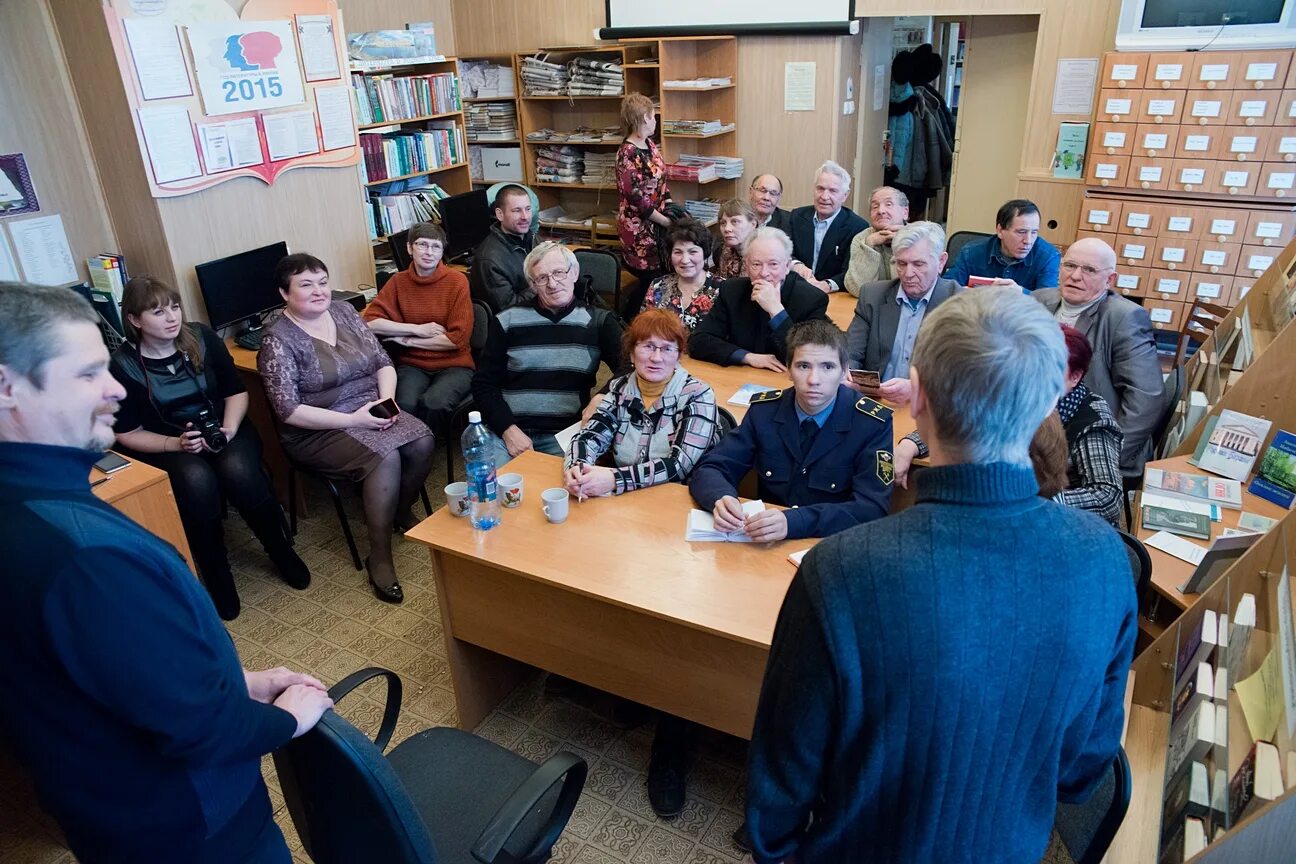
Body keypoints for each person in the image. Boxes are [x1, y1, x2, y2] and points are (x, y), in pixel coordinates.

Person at [745, 287, 1137, 864]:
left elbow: (782, 781)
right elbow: (1082, 772)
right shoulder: (1108, 561)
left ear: (919, 397)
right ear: (1053, 397)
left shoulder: (841, 570)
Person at [0, 281, 334, 864]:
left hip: (104, 810)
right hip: (190, 827)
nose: (111, 391)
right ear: (8, 387)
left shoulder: (32, 505)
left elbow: (112, 672)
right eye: (85, 375)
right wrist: (285, 722)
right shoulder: (88, 558)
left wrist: (240, 682)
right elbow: (202, 732)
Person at [109, 276, 308, 621]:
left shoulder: (201, 338)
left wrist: (229, 429)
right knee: (197, 483)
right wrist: (176, 443)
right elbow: (127, 433)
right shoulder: (122, 365)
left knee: (239, 472)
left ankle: (279, 550)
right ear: (135, 320)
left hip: (225, 426)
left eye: (174, 307)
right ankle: (217, 573)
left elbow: (236, 391)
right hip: (168, 442)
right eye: (158, 312)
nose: (172, 317)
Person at [258, 254, 435, 604]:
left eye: (322, 281)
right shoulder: (276, 340)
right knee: (385, 459)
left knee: (423, 442)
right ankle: (380, 555)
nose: (319, 290)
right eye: (306, 285)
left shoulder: (343, 312)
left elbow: (383, 363)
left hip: (370, 407)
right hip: (317, 428)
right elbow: (288, 411)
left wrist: (387, 402)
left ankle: (400, 509)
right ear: (284, 293)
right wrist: (355, 420)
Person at [895, 326, 1123, 526]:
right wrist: (910, 444)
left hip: (1054, 523)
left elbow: (1107, 497)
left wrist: (1034, 502)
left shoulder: (1092, 419)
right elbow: (961, 420)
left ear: (1074, 377)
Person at [689, 318, 893, 541]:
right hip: (764, 545)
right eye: (803, 366)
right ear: (788, 369)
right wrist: (720, 497)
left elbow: (871, 508)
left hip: (829, 544)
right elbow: (712, 467)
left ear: (845, 372)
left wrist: (795, 521)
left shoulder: (871, 424)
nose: (814, 380)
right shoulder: (765, 411)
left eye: (828, 367)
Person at [472, 241, 627, 465]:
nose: (552, 284)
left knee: (570, 492)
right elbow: (483, 384)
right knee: (492, 493)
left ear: (574, 273)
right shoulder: (507, 320)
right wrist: (508, 430)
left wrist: (603, 395)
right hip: (507, 430)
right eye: (542, 278)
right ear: (533, 285)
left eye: (559, 273)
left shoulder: (599, 322)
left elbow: (630, 367)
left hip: (565, 434)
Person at [1032, 237, 1163, 474]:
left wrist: (1104, 456)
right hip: (1036, 429)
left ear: (1110, 279)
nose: (1075, 276)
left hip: (1088, 441)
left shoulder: (1125, 318)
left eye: (1089, 270)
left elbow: (1146, 398)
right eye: (1070, 265)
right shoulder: (1039, 300)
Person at [363, 222, 475, 436]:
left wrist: (406, 341)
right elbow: (369, 322)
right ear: (409, 248)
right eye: (422, 245)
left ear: (443, 252)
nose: (429, 252)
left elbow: (456, 340)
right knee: (405, 403)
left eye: (436, 247)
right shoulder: (398, 282)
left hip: (455, 365)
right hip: (413, 365)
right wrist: (416, 329)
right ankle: (411, 449)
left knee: (433, 403)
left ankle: (427, 452)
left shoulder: (457, 281)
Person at [844, 221, 958, 405]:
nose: (908, 273)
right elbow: (850, 353)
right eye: (901, 263)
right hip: (875, 403)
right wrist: (845, 374)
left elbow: (966, 375)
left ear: (941, 262)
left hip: (931, 407)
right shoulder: (872, 296)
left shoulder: (961, 304)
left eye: (918, 264)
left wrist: (918, 387)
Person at [688, 227, 829, 371]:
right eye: (756, 264)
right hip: (740, 377)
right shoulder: (731, 290)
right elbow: (699, 342)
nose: (764, 273)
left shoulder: (811, 299)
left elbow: (809, 359)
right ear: (747, 266)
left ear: (787, 266)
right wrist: (747, 357)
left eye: (773, 264)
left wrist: (776, 311)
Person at [616, 92, 673, 315]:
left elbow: (661, 180)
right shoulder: (627, 154)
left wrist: (670, 206)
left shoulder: (649, 144)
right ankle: (628, 320)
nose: (655, 120)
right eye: (652, 116)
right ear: (643, 118)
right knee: (651, 280)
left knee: (661, 276)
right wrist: (666, 222)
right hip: (638, 229)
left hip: (658, 223)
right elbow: (637, 200)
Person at [945, 199, 1061, 293]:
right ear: (1000, 231)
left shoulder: (1048, 257)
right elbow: (947, 288)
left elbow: (1049, 304)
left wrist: (1021, 293)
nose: (1028, 241)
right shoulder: (970, 252)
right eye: (1021, 232)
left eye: (1034, 232)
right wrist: (961, 293)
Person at [787, 160, 868, 294]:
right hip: (796, 290)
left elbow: (851, 272)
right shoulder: (797, 216)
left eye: (833, 191)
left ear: (845, 195)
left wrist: (828, 285)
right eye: (820, 188)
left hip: (834, 295)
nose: (824, 196)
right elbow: (784, 253)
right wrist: (796, 265)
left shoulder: (857, 226)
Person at [639, 219, 721, 333]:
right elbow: (643, 330)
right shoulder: (658, 286)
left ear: (705, 253)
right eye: (678, 252)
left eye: (693, 252)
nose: (685, 260)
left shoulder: (722, 289)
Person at [469, 184, 536, 312]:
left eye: (528, 209)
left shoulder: (530, 237)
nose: (525, 217)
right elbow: (509, 310)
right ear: (500, 214)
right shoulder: (489, 260)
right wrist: (540, 286)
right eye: (517, 210)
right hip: (516, 325)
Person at [843, 186, 910, 295]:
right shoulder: (861, 239)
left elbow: (914, 288)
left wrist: (902, 243)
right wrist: (869, 247)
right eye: (875, 206)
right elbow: (856, 289)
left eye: (888, 204)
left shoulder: (921, 237)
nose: (881, 211)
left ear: (905, 212)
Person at [713, 197, 758, 280]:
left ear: (753, 224)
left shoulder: (763, 256)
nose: (727, 229)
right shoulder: (723, 251)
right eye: (723, 223)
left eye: (735, 222)